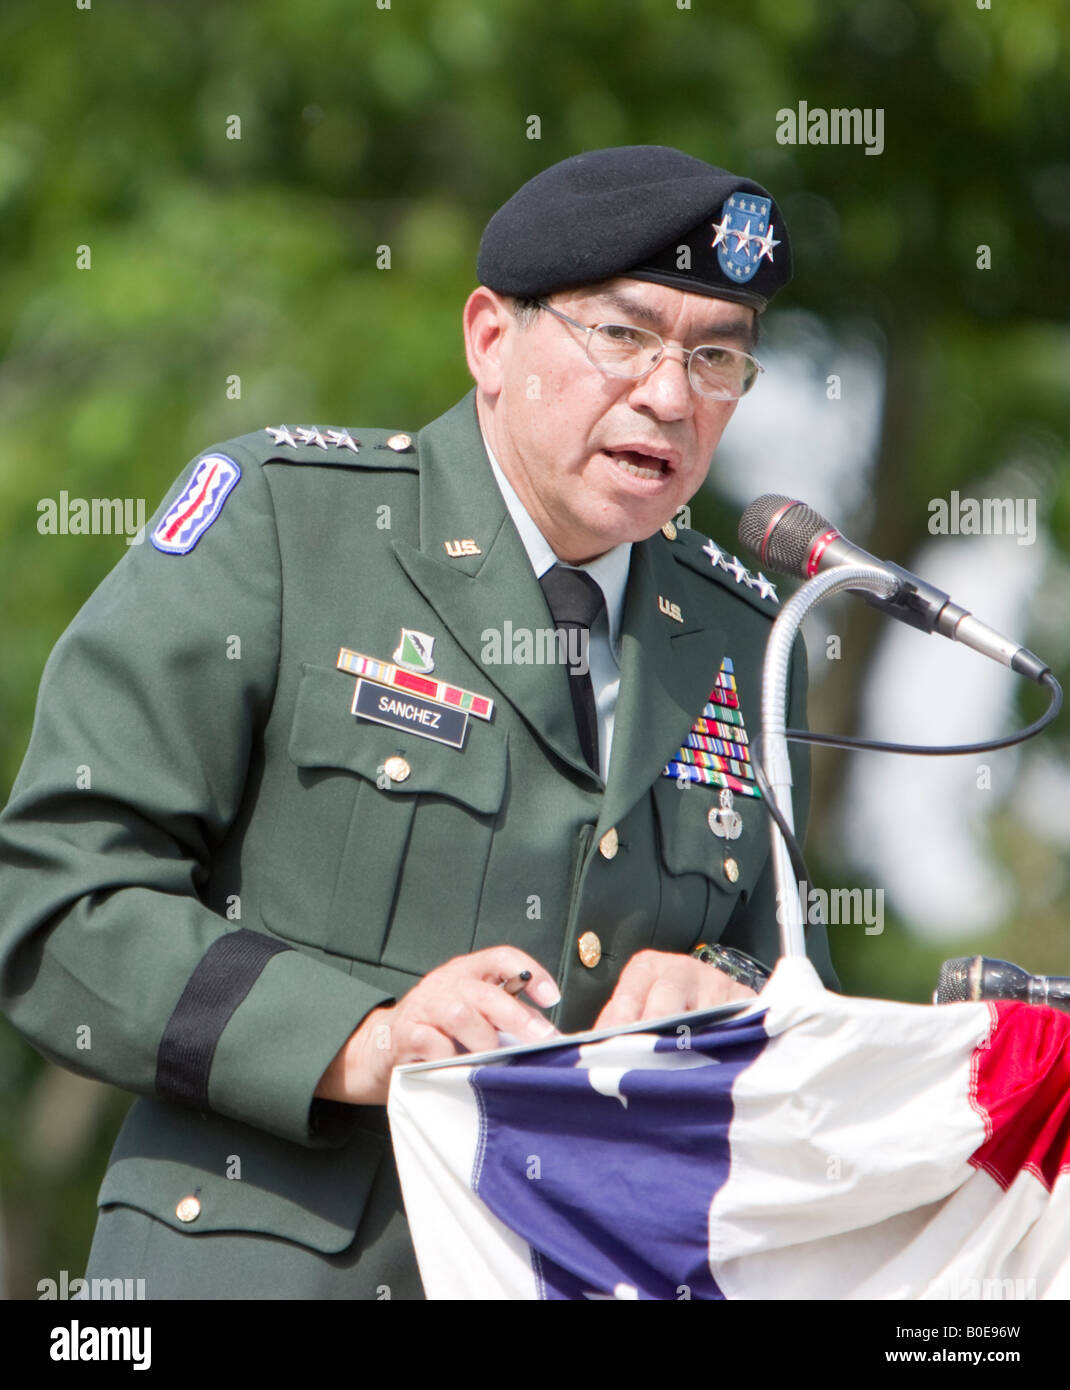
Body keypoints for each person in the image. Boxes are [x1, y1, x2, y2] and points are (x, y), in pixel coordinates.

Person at [0, 145, 835, 1300]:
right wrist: (361, 1036)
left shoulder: (746, 637)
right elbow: (55, 902)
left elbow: (793, 978)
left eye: (714, 356)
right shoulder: (285, 531)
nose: (667, 393)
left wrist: (732, 1002)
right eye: (623, 336)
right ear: (491, 339)